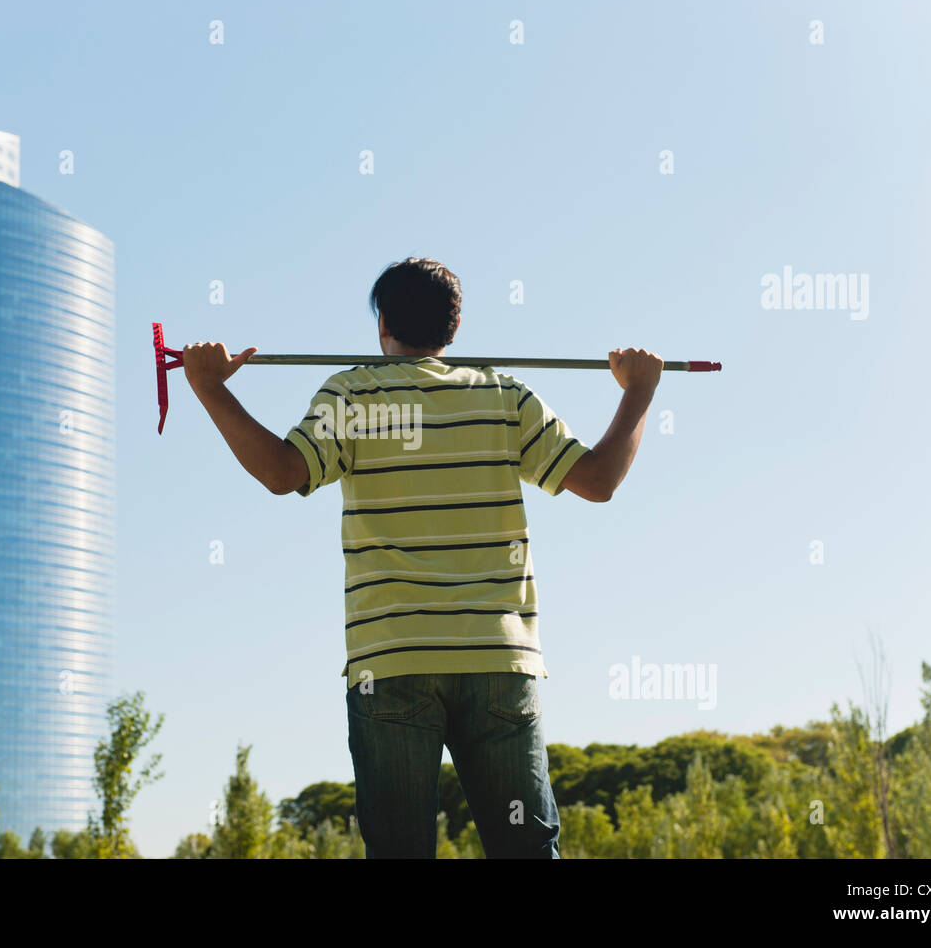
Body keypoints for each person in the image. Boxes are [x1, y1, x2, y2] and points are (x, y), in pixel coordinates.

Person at [182, 257, 663, 858]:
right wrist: (640, 393)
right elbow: (598, 480)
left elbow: (282, 473)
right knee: (525, 849)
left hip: (392, 659)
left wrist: (208, 386)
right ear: (454, 328)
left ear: (383, 323)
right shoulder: (502, 394)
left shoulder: (350, 393)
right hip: (497, 658)